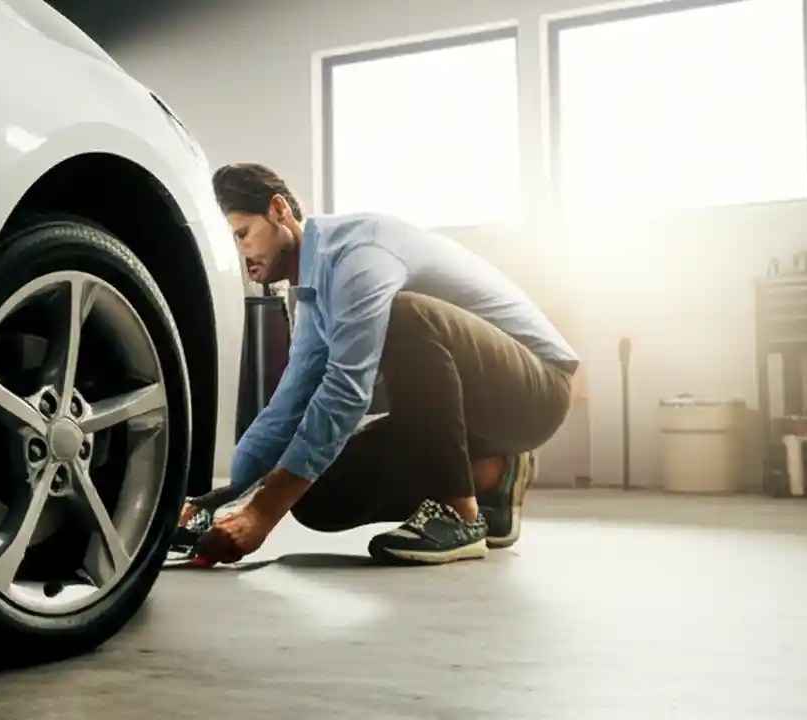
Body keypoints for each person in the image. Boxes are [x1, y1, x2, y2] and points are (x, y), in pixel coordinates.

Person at [187, 163, 579, 565]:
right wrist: (220, 502)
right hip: (468, 414)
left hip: (536, 389)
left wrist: (263, 512)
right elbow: (288, 405)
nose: (241, 255)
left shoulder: (358, 253)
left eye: (242, 235)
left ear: (279, 210)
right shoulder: (309, 295)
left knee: (404, 315)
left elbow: (346, 391)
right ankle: (492, 475)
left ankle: (460, 515)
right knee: (317, 496)